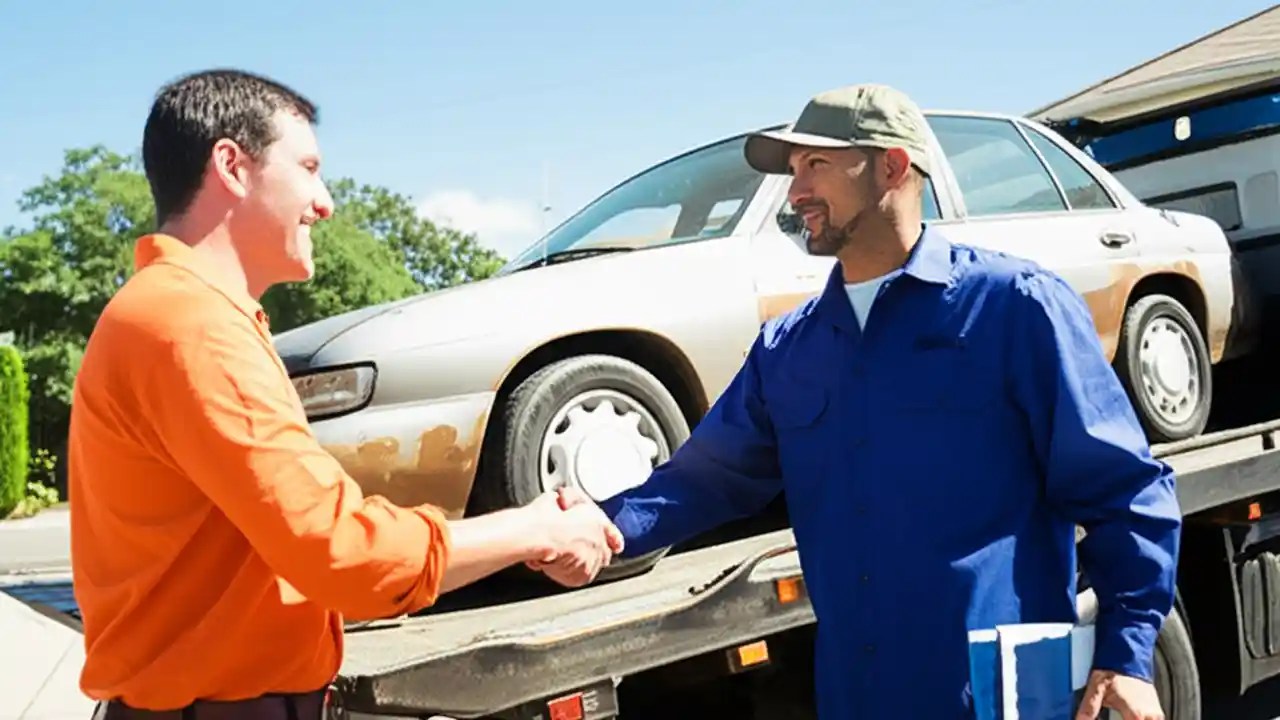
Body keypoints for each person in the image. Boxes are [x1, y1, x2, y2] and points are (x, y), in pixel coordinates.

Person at [533, 83, 1180, 720]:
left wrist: (1126, 650)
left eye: (815, 164)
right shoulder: (790, 347)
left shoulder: (1016, 308)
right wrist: (596, 529)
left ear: (893, 166)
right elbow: (706, 479)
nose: (795, 192)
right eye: (793, 170)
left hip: (1011, 690)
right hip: (864, 690)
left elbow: (1123, 489)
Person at [69, 68, 623, 719]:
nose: (324, 200)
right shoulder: (190, 324)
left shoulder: (178, 314)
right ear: (232, 166)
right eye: (307, 167)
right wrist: (535, 529)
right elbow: (345, 555)